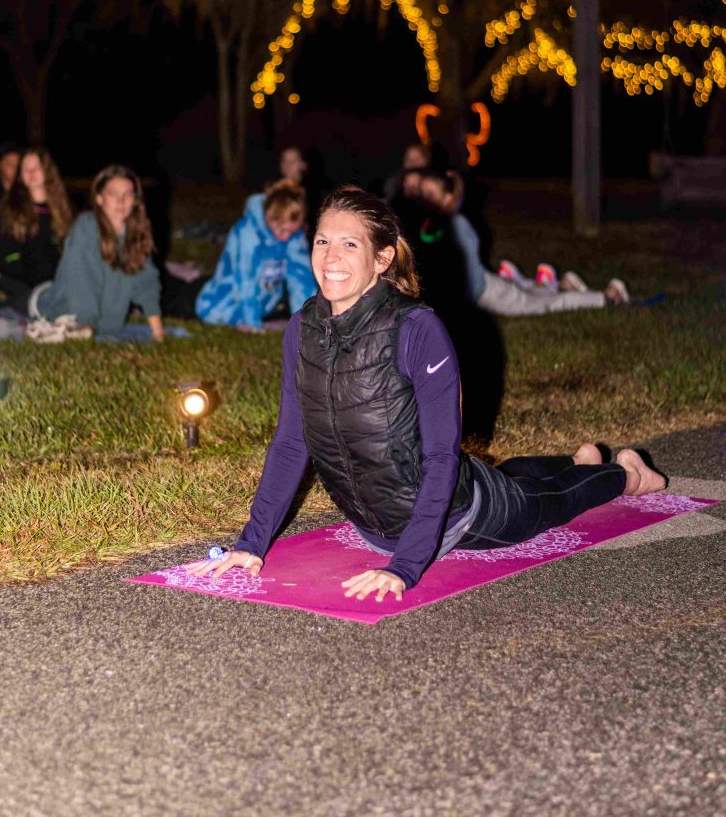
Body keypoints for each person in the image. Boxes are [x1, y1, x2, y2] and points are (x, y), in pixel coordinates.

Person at [185, 186, 665, 601]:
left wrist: (405, 565)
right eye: (322, 241)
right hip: (375, 528)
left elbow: (441, 457)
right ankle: (571, 460)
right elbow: (292, 442)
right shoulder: (303, 328)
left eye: (349, 244)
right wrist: (250, 543)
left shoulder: (416, 328)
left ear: (382, 257)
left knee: (545, 504)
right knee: (505, 476)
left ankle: (621, 474)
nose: (329, 258)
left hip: (457, 517)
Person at [411, 170, 631, 318]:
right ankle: (558, 285)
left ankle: (608, 297)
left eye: (430, 194)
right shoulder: (432, 226)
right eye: (422, 193)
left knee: (545, 305)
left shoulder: (455, 225)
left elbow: (471, 282)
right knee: (538, 298)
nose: (423, 198)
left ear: (448, 198)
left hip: (490, 293)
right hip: (486, 288)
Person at [31, 164, 163, 341]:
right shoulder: (86, 226)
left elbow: (146, 284)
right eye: (113, 193)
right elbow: (80, 279)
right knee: (16, 295)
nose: (121, 200)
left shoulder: (135, 236)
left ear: (135, 200)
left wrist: (158, 332)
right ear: (100, 198)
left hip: (104, 327)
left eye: (128, 194)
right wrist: (85, 326)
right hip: (55, 307)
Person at [195, 180, 317, 332]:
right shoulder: (247, 232)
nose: (285, 237)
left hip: (263, 304)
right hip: (222, 301)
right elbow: (245, 279)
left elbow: (301, 279)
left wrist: (307, 324)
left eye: (291, 232)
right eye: (281, 229)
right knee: (181, 299)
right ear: (269, 216)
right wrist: (252, 324)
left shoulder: (294, 237)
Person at [0, 147, 73, 315]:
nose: (31, 172)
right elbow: (6, 256)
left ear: (47, 171)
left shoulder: (62, 210)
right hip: (20, 282)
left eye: (36, 167)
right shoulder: (10, 209)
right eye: (25, 169)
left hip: (55, 283)